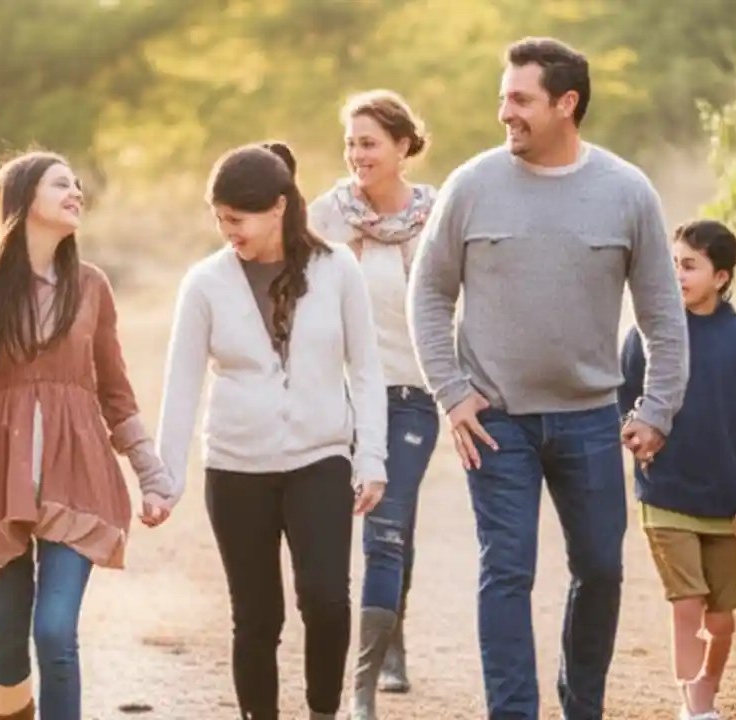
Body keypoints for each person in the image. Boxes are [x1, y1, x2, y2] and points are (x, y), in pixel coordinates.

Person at [407, 37, 689, 719]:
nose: (504, 112)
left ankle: (581, 705)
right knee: (506, 571)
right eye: (503, 97)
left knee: (601, 569)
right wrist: (451, 392)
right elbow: (429, 294)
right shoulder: (472, 186)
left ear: (567, 104)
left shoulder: (627, 192)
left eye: (520, 99)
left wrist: (657, 408)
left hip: (591, 419)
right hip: (495, 421)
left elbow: (662, 314)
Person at [0, 150, 177, 720]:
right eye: (60, 184)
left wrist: (152, 475)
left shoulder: (91, 286)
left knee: (54, 632)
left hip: (79, 476)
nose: (76, 194)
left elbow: (116, 392)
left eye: (77, 185)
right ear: (24, 199)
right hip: (3, 478)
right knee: (10, 634)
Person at [155, 141, 388, 720]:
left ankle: (323, 712)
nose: (227, 230)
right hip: (236, 469)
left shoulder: (337, 269)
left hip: (320, 460)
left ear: (279, 207)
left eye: (237, 219)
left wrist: (372, 457)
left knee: (327, 600)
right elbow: (181, 386)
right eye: (219, 219)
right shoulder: (205, 283)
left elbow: (366, 369)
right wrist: (166, 478)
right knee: (257, 617)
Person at [618, 220, 736, 720]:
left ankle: (704, 696)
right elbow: (622, 401)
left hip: (725, 501)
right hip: (664, 493)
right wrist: (632, 433)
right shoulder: (646, 335)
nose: (677, 275)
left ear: (722, 276)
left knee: (722, 620)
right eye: (672, 264)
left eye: (689, 265)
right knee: (688, 605)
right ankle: (695, 708)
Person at [307, 89, 438, 719]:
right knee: (361, 530)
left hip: (412, 394)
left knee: (388, 526)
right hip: (339, 395)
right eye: (351, 143)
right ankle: (389, 641)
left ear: (403, 146)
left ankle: (361, 691)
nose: (357, 155)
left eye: (370, 143)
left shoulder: (436, 218)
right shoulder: (326, 217)